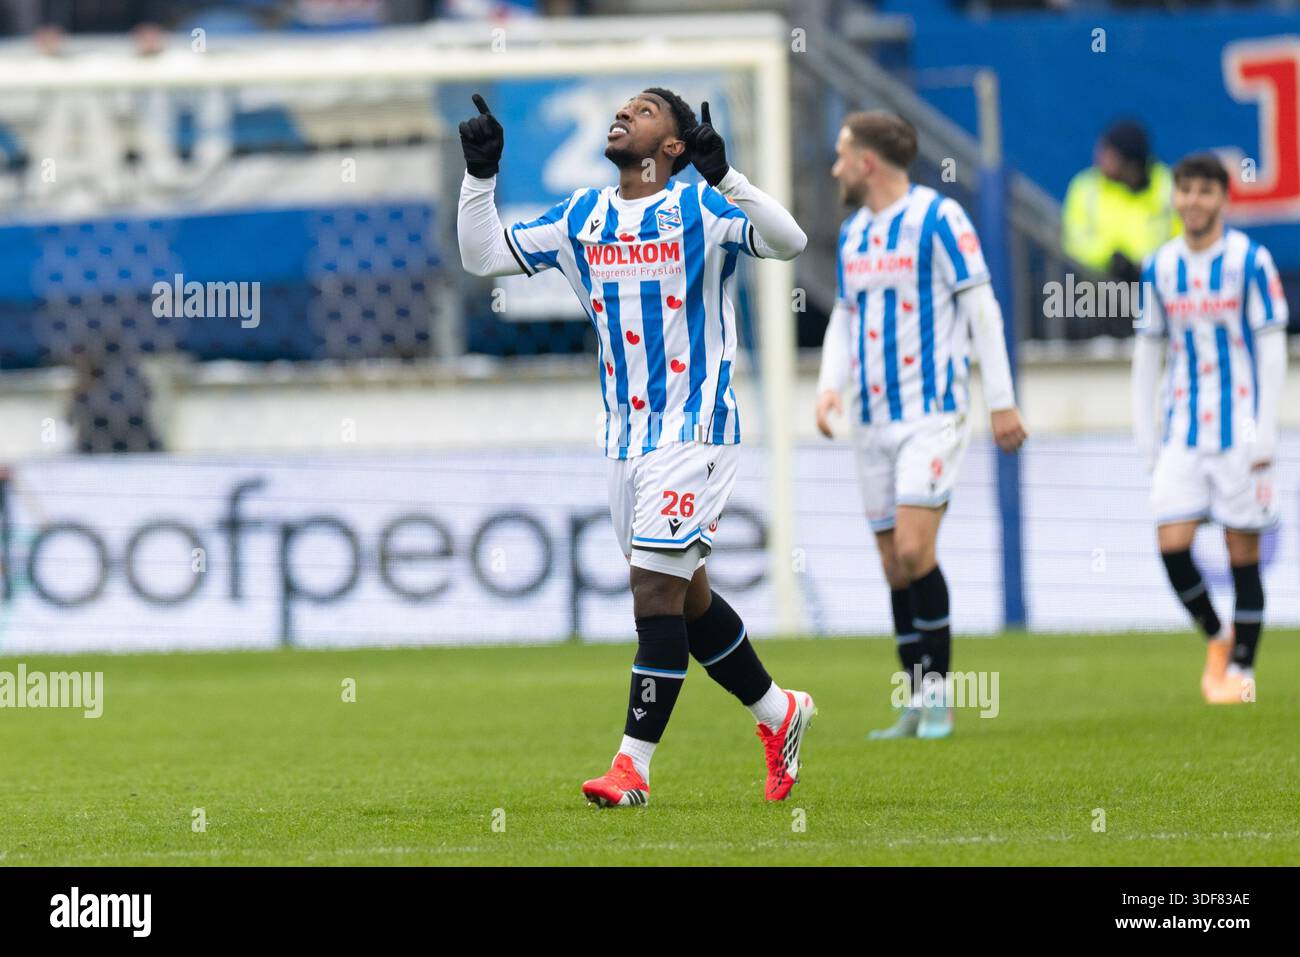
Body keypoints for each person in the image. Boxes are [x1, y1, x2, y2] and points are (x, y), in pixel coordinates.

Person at [457, 89, 813, 806]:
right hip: (626, 440)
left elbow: (790, 242)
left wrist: (727, 177)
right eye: (623, 107)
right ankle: (779, 711)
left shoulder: (703, 210)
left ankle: (632, 769)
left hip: (696, 429)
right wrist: (479, 175)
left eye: (646, 111)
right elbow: (483, 257)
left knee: (650, 591)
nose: (624, 113)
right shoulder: (580, 217)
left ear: (675, 146)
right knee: (685, 602)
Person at [816, 110, 1027, 739]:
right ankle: (913, 698)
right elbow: (846, 318)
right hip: (871, 421)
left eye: (841, 154)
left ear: (867, 162)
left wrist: (1002, 400)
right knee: (892, 564)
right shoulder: (855, 235)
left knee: (914, 548)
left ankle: (941, 697)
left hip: (932, 414)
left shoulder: (941, 219)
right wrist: (830, 386)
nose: (834, 167)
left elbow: (981, 306)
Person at [1132, 152, 1288, 704]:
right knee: (1170, 542)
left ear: (1223, 198)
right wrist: (1145, 435)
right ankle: (1218, 637)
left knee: (1241, 551)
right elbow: (1148, 351)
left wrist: (1266, 428)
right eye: (1185, 190)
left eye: (1204, 191)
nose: (1193, 201)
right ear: (1174, 196)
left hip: (1241, 430)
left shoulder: (1250, 260)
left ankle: (1242, 670)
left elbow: (1271, 345)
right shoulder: (1160, 266)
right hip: (1182, 431)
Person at [1063, 120, 1179, 282]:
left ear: (1130, 163)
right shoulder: (1085, 187)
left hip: (1158, 288)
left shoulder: (1167, 186)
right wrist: (1112, 260)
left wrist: (1147, 267)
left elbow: (1182, 238)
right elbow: (1075, 241)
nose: (1099, 158)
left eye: (1109, 155)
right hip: (1096, 289)